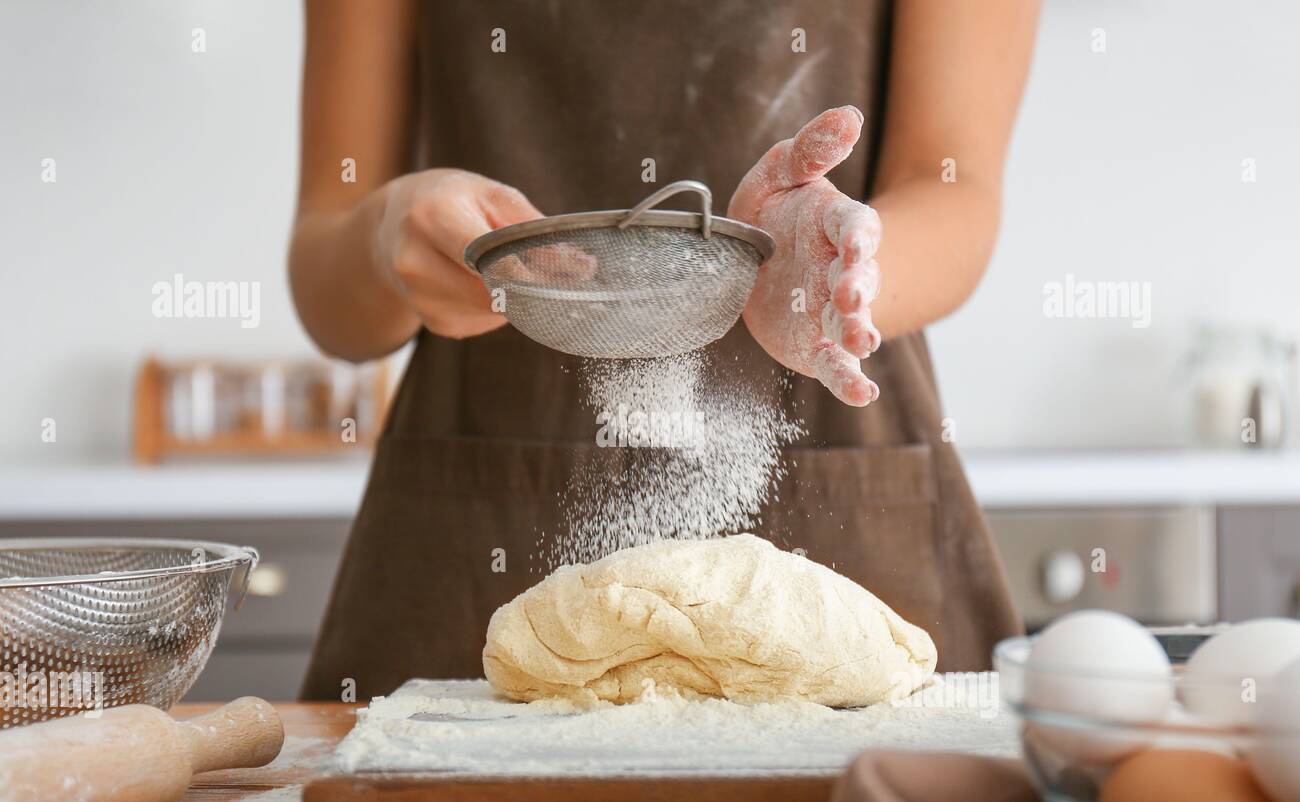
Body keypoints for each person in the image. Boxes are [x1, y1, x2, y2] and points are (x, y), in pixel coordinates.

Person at [291, 0, 1041, 700]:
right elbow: (326, 272)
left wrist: (841, 270)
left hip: (832, 463)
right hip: (476, 506)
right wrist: (388, 231)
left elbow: (953, 182)